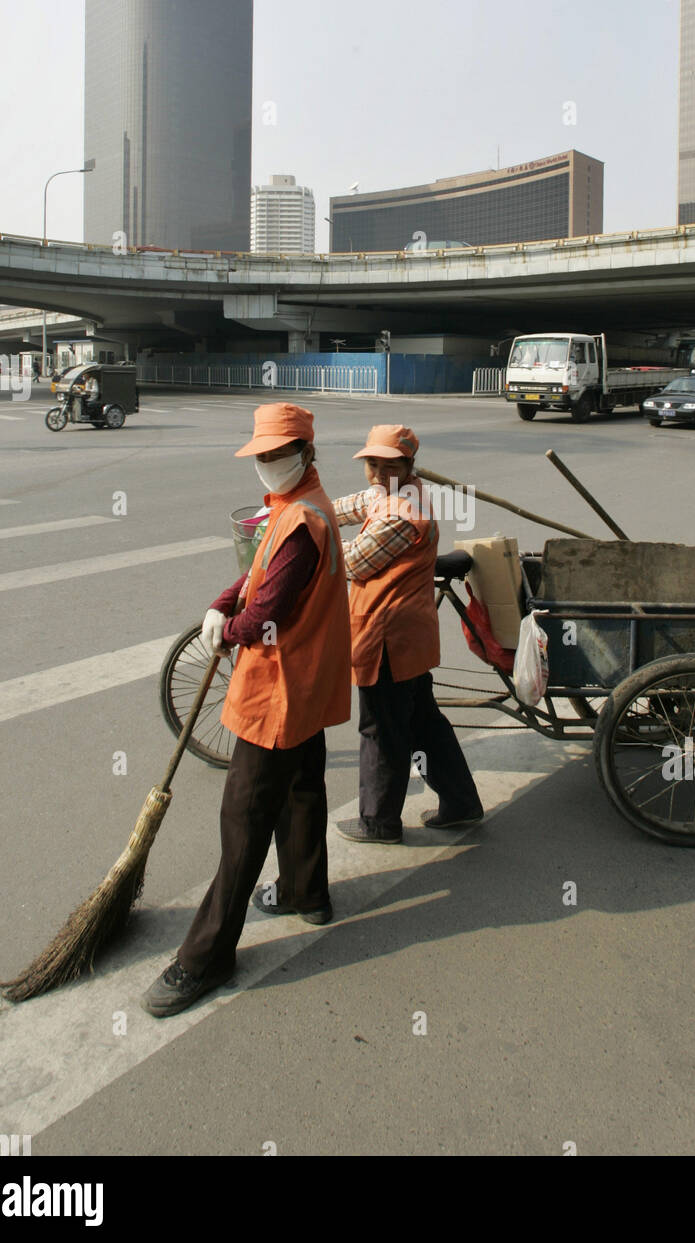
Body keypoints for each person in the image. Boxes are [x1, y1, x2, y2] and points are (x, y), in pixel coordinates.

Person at [141, 402, 352, 1018]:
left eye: (276, 454)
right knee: (303, 791)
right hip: (306, 685)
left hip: (281, 689)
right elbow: (256, 575)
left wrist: (229, 627)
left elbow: (266, 612)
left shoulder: (302, 523)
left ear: (305, 455)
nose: (266, 464)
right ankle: (305, 892)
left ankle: (204, 958)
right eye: (259, 455)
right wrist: (221, 600)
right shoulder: (299, 507)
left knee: (243, 819)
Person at [331, 424, 483, 844]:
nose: (378, 474)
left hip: (388, 638)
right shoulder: (397, 492)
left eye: (390, 465)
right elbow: (352, 504)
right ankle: (462, 803)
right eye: (372, 464)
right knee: (421, 723)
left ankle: (379, 823)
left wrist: (303, 536)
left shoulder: (403, 514)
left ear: (409, 465)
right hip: (406, 635)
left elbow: (355, 562)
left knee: (381, 729)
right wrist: (308, 510)